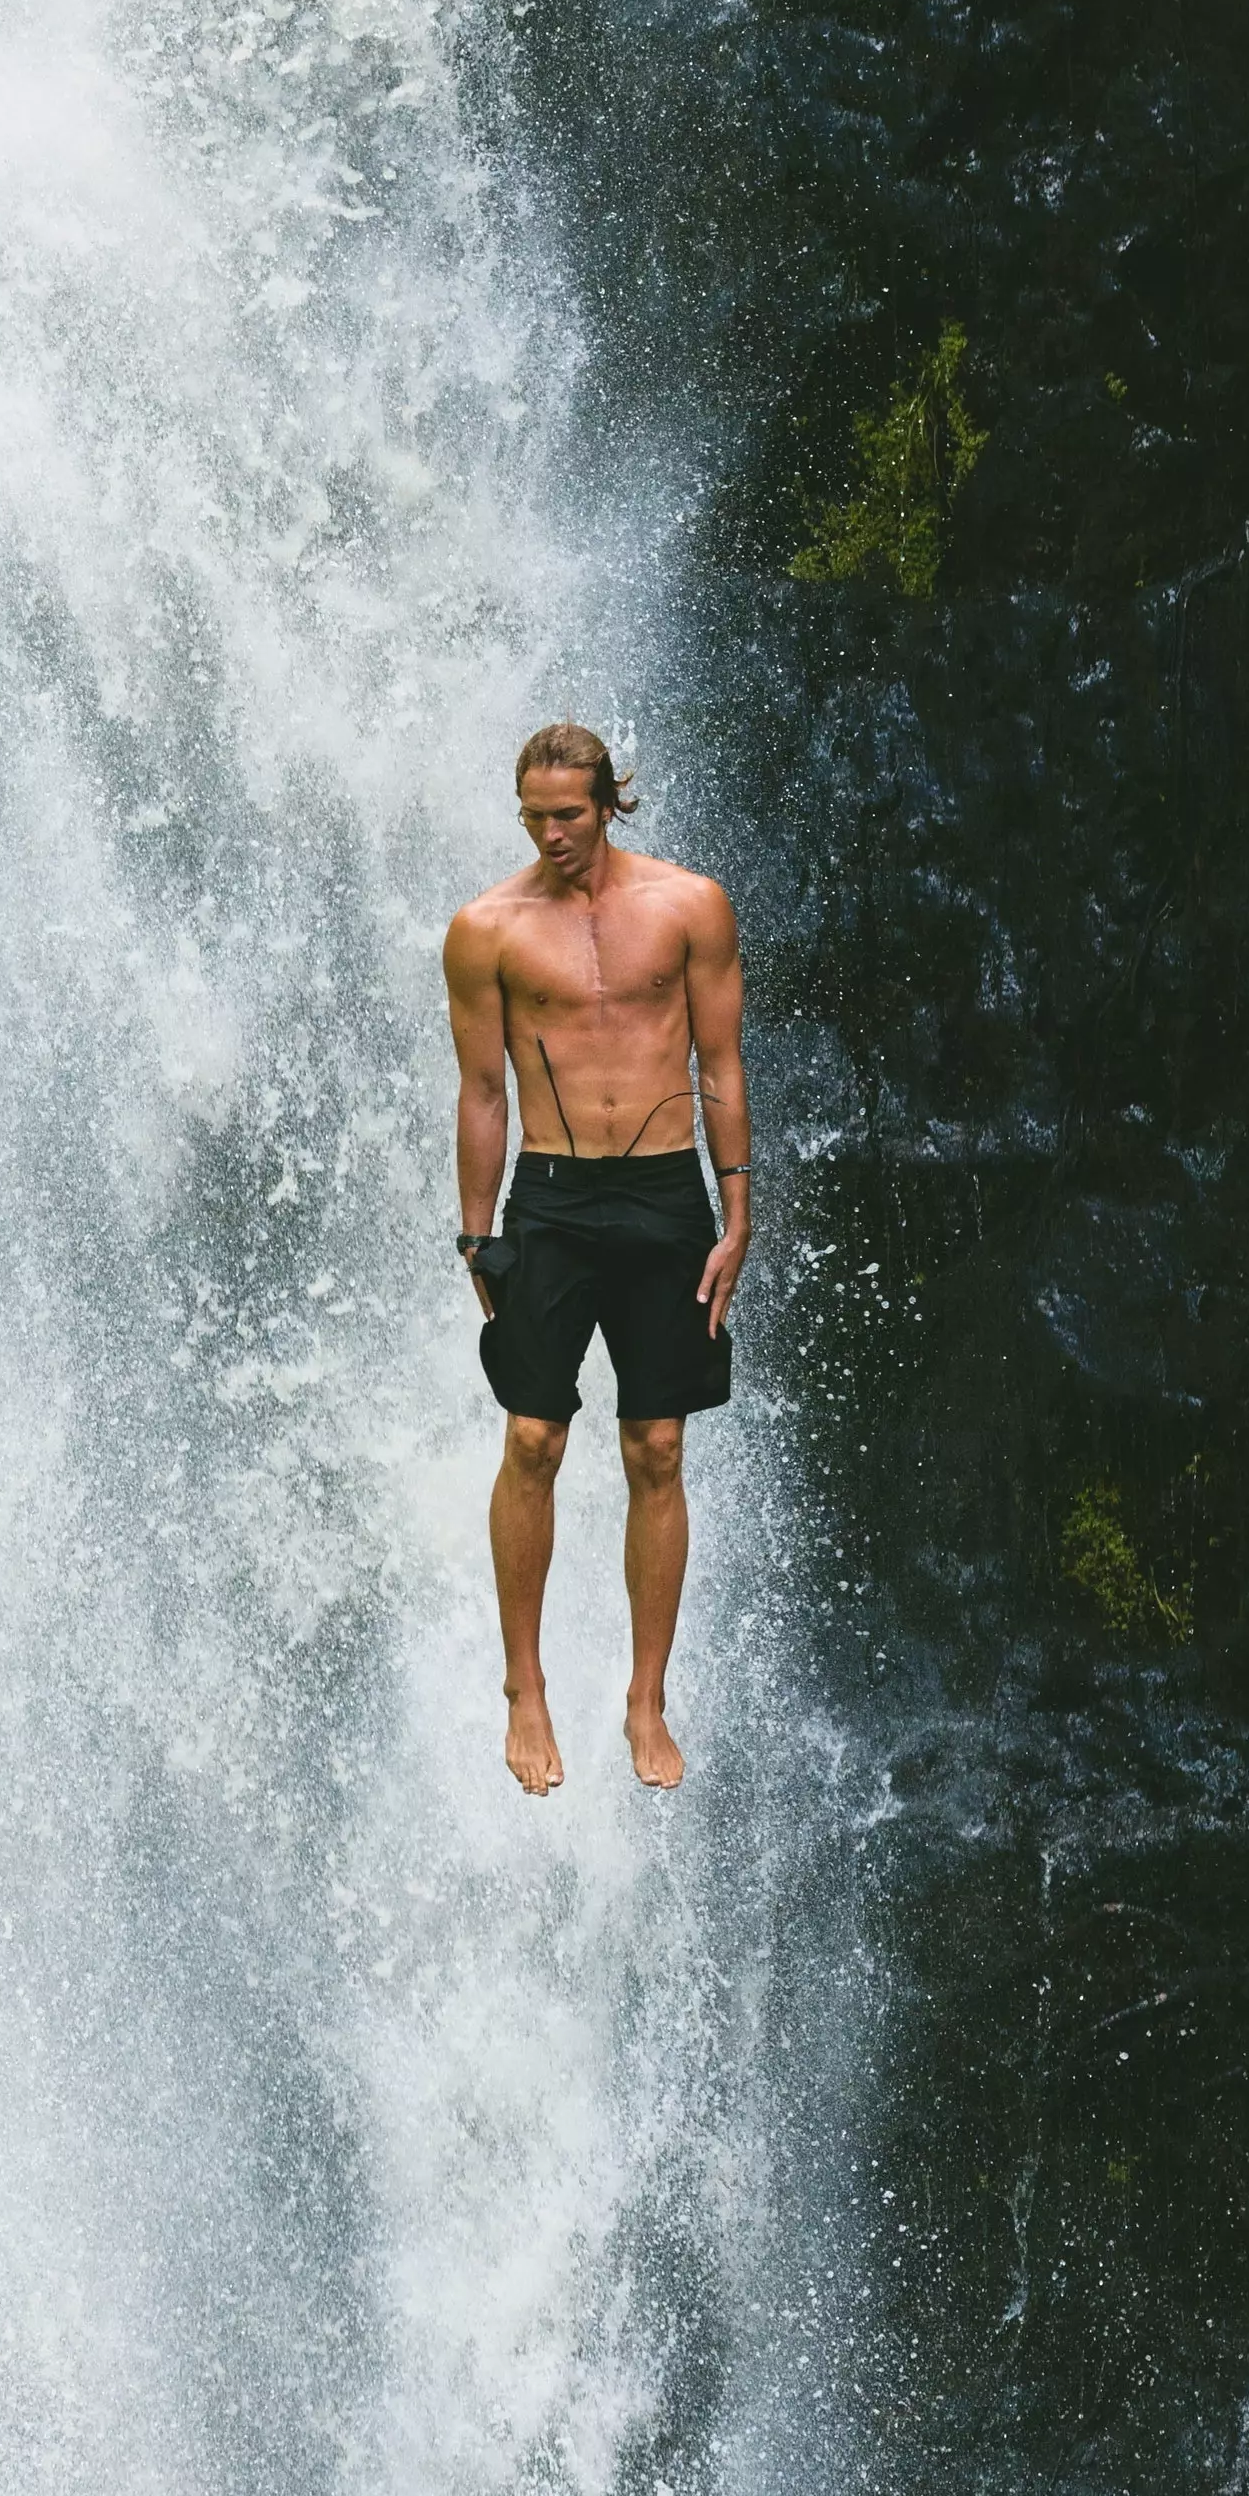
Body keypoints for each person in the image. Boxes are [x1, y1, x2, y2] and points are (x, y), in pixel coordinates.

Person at [442, 725, 751, 1796]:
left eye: (568, 813)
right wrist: (475, 1229)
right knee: (532, 1436)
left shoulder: (687, 906)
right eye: (533, 815)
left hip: (666, 1193)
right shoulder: (487, 928)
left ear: (611, 802)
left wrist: (738, 1212)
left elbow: (719, 1060)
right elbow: (483, 1091)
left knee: (656, 1447)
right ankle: (524, 1685)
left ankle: (644, 1698)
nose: (550, 833)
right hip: (555, 1198)